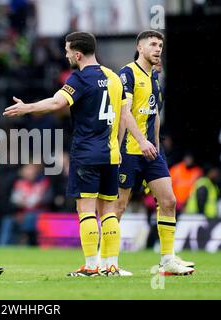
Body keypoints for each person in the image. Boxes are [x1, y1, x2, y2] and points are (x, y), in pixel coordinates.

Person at [4, 32, 125, 276]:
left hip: (87, 154)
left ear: (78, 54)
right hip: (111, 154)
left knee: (86, 210)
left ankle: (91, 266)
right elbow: (123, 117)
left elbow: (56, 103)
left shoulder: (79, 79)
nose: (66, 54)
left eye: (68, 50)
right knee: (109, 211)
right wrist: (117, 146)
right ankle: (111, 265)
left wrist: (27, 107)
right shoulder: (113, 77)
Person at [117, 30, 194, 275]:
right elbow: (124, 112)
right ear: (140, 47)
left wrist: (157, 149)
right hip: (129, 150)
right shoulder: (127, 73)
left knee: (169, 201)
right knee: (118, 207)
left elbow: (155, 115)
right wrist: (141, 141)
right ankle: (103, 260)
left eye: (160, 44)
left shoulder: (154, 79)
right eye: (152, 44)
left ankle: (167, 260)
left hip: (151, 152)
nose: (158, 48)